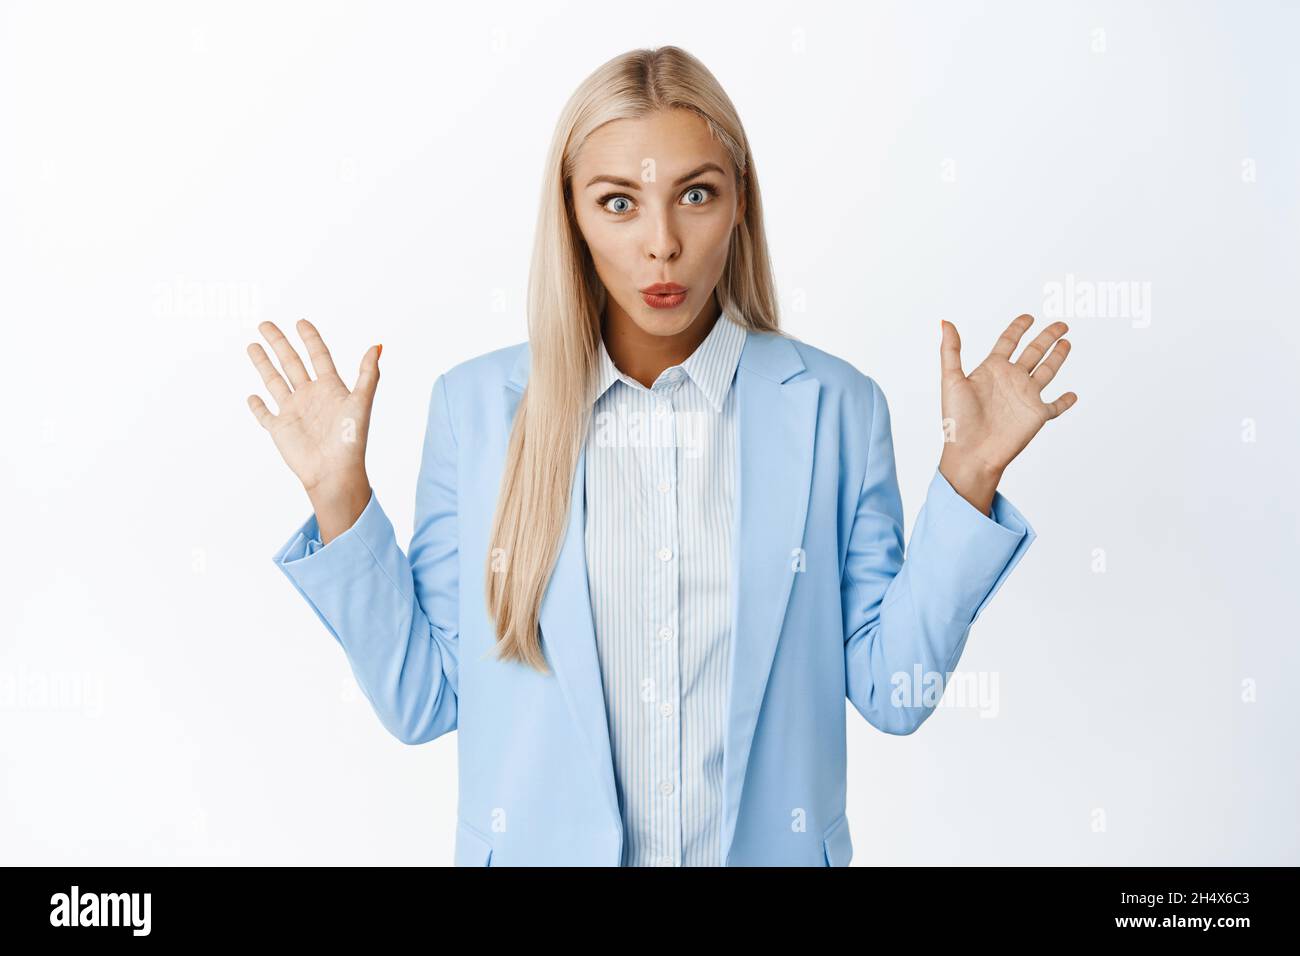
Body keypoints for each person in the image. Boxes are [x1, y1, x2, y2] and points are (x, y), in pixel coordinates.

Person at [245, 46, 1076, 867]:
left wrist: (970, 478)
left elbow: (894, 692)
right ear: (570, 212)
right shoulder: (476, 412)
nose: (663, 244)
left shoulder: (837, 409)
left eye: (696, 194)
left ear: (739, 202)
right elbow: (421, 700)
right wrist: (339, 497)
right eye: (618, 203)